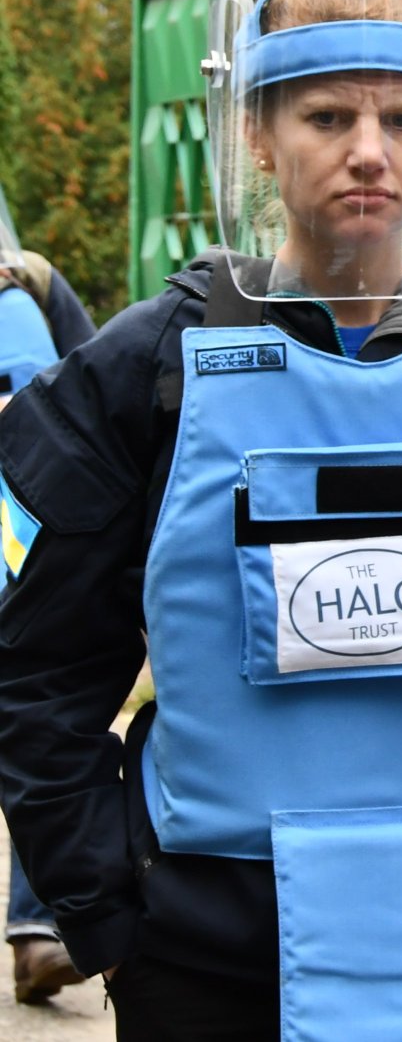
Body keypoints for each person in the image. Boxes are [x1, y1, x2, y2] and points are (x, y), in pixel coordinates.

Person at [0, 0, 402, 1041]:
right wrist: (106, 907)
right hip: (207, 943)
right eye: (327, 118)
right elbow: (39, 675)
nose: (368, 154)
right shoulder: (148, 372)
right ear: (257, 132)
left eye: (401, 121)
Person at [0, 209, 96, 1005]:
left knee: (39, 695)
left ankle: (37, 930)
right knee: (40, 696)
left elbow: (80, 388)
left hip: (23, 514)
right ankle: (36, 931)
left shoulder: (20, 297)